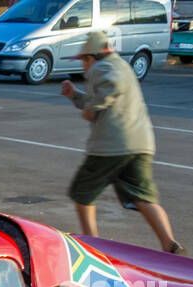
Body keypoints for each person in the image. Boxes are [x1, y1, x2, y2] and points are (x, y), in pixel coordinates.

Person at [59, 31, 185, 254]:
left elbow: (111, 87)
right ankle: (169, 243)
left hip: (110, 146)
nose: (83, 67)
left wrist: (92, 107)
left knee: (82, 193)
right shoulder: (123, 66)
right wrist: (74, 95)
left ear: (91, 57)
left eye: (84, 61)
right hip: (141, 144)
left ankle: (93, 245)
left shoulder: (103, 68)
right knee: (142, 197)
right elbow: (109, 94)